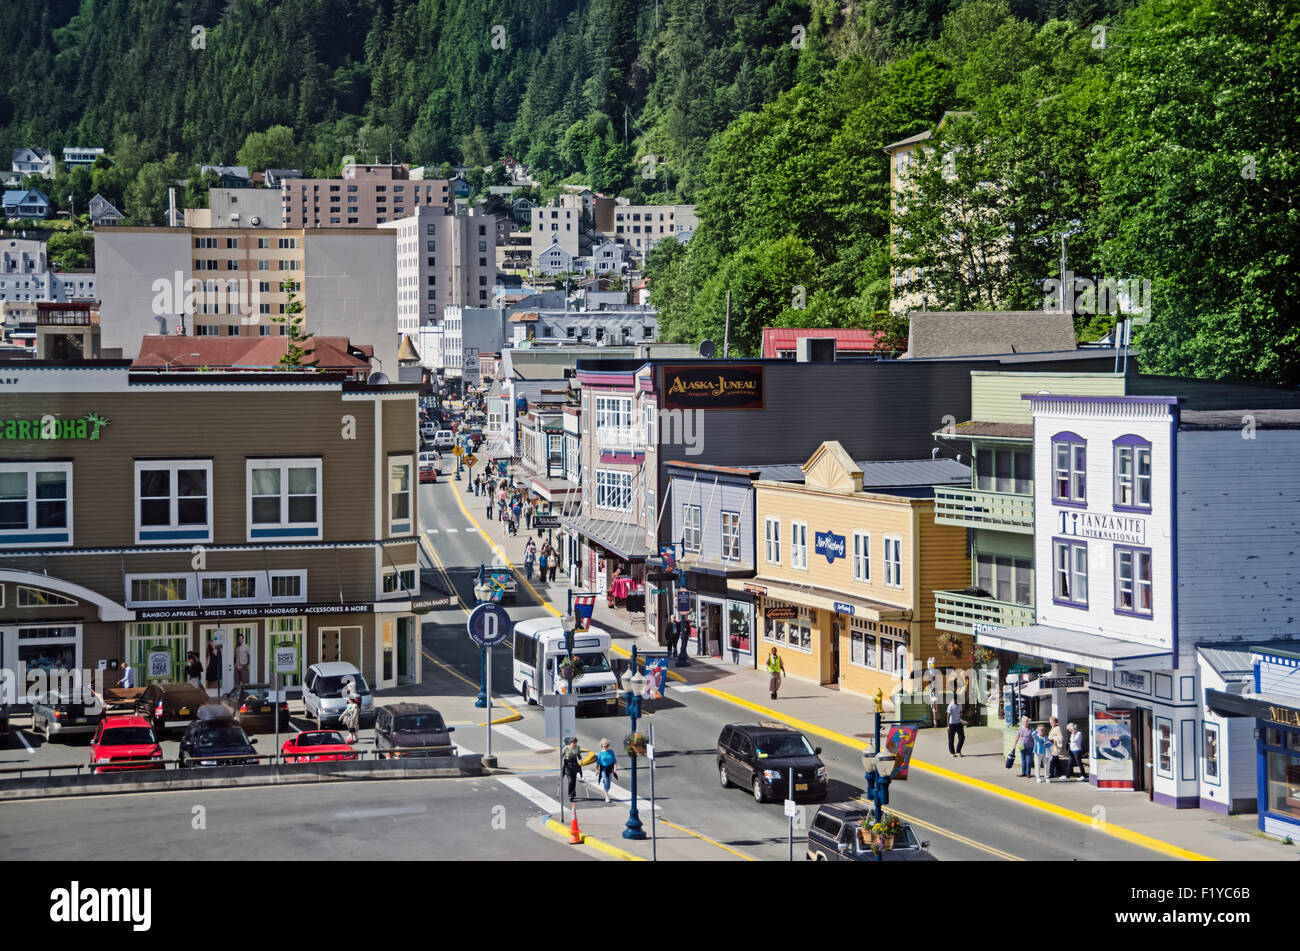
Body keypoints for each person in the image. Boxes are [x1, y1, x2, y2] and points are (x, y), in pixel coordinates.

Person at [595, 738, 618, 803]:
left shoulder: (611, 752)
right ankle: (607, 796)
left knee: (609, 783)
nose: (606, 747)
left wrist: (615, 768)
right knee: (606, 781)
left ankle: (606, 789)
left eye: (607, 746)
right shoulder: (600, 753)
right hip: (603, 769)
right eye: (604, 746)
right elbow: (598, 762)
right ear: (602, 746)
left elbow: (615, 761)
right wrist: (596, 770)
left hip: (610, 769)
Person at [561, 736, 583, 801]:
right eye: (572, 743)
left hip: (575, 765)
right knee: (570, 781)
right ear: (569, 743)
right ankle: (570, 794)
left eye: (575, 743)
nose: (574, 744)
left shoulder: (578, 747)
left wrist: (581, 759)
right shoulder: (566, 748)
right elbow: (561, 756)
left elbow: (579, 755)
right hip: (568, 765)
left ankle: (573, 794)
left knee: (573, 781)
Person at [1047, 716, 1067, 781]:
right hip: (1052, 747)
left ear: (1055, 722)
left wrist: (1052, 739)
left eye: (1052, 722)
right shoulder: (1052, 728)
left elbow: (1060, 738)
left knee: (1053, 761)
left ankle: (1051, 774)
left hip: (1055, 748)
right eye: (1050, 722)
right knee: (1056, 761)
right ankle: (1061, 773)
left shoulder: (1057, 728)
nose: (1050, 723)